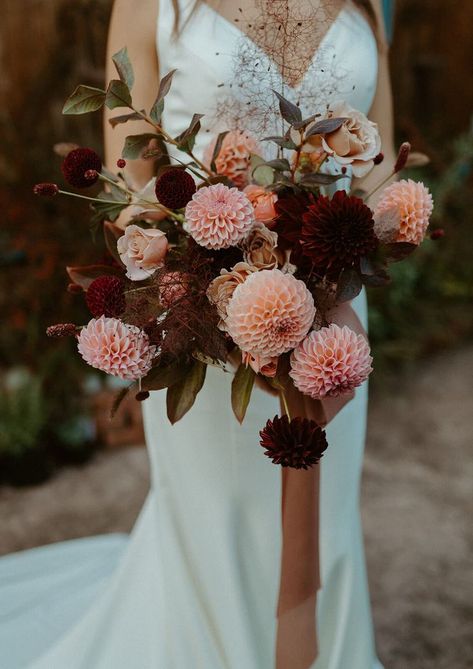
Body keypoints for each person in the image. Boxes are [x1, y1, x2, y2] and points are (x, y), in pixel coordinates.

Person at [0, 1, 394, 667]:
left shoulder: (365, 6)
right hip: (208, 322)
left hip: (335, 312)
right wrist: (198, 277)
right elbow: (131, 181)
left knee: (326, 504)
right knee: (220, 514)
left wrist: (379, 232)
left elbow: (378, 159)